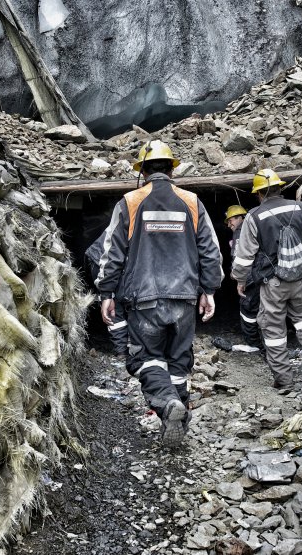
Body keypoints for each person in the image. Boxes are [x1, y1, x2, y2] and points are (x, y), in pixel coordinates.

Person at [94, 140, 224, 448]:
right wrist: (209, 290)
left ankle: (167, 405)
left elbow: (112, 253)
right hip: (184, 297)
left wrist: (106, 292)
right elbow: (210, 251)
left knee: (146, 359)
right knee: (178, 362)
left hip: (144, 299)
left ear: (142, 171)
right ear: (171, 170)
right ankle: (176, 421)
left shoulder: (130, 202)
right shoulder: (192, 201)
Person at [231, 168, 302, 390]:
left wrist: (240, 280)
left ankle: (284, 379)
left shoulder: (254, 216)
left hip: (273, 282)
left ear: (259, 194)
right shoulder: (301, 208)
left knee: (273, 329)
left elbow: (244, 257)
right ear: (280, 188)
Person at [225, 204, 262, 352]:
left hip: (250, 277)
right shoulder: (254, 228)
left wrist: (236, 275)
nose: (229, 225)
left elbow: (238, 256)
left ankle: (253, 343)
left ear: (240, 217)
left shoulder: (240, 232)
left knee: (248, 308)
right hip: (261, 274)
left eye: (231, 220)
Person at [85, 231, 128, 355]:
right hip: (103, 261)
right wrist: (107, 294)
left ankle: (126, 349)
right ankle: (122, 351)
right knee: (113, 304)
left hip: (116, 260)